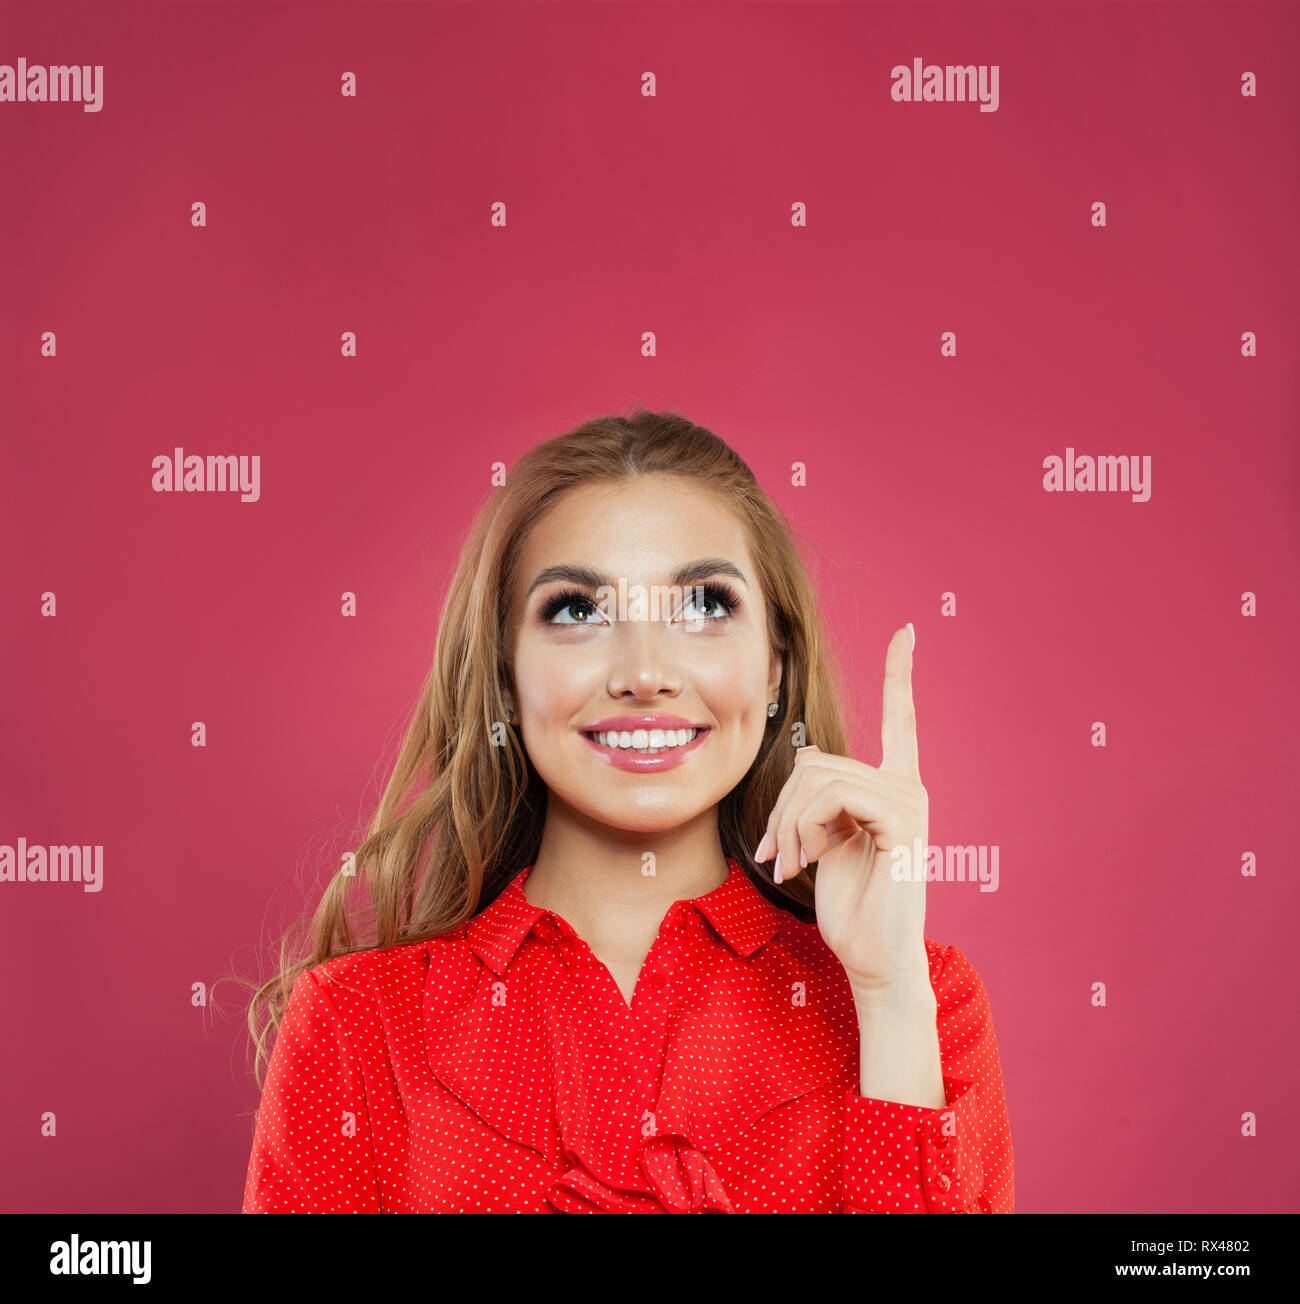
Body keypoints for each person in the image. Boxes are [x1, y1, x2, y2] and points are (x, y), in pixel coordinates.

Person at [239, 406, 1014, 1213]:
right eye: (577, 611)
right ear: (506, 676)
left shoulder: (925, 1001)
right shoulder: (354, 1025)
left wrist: (888, 996)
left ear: (776, 665)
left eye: (704, 605)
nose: (645, 674)